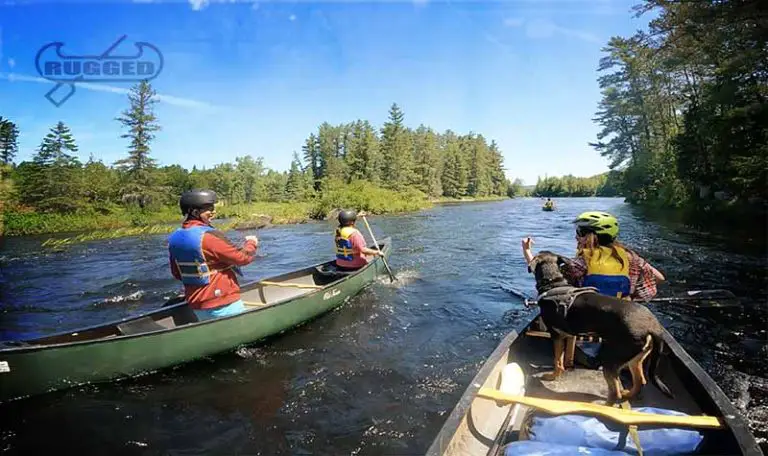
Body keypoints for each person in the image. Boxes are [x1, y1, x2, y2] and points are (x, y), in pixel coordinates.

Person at [522, 211, 665, 301]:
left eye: (579, 232)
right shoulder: (632, 258)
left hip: (586, 322)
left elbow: (545, 276)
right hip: (619, 319)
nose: (576, 236)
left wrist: (526, 250)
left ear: (591, 237)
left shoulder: (581, 262)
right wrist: (631, 298)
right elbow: (659, 278)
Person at [168, 189, 259, 321]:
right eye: (209, 209)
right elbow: (242, 258)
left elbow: (177, 273)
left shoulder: (174, 238)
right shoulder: (208, 237)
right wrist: (251, 243)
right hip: (222, 303)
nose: (213, 212)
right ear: (195, 212)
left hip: (197, 305)